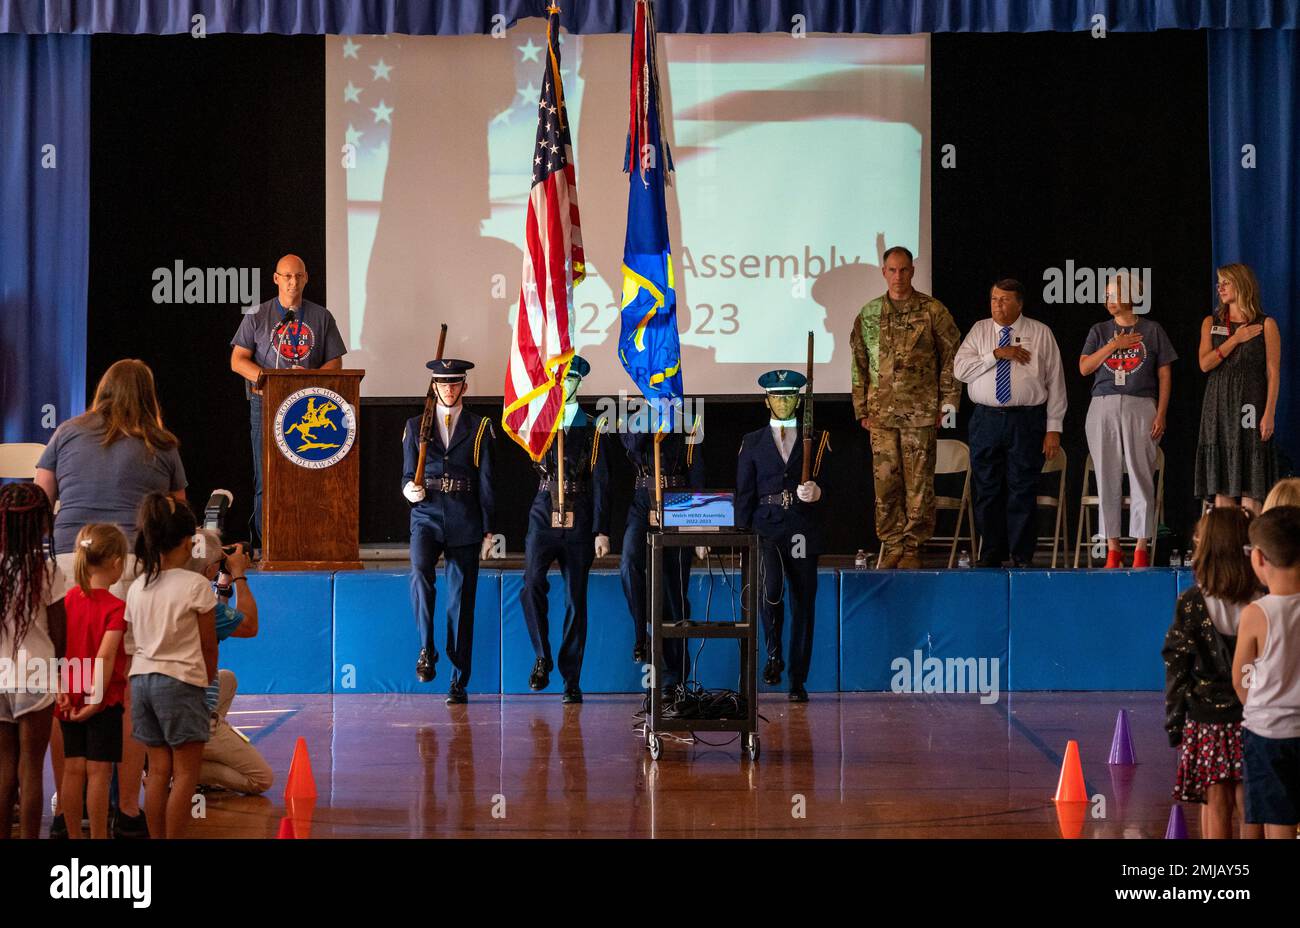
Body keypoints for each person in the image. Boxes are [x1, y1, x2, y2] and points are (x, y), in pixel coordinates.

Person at [34, 357, 184, 838]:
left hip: (67, 565)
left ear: (102, 390)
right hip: (128, 567)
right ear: (149, 395)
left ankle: (63, 811)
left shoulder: (66, 433)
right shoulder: (161, 445)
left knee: (67, 686)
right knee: (124, 689)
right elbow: (176, 521)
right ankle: (129, 814)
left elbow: (39, 501)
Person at [850, 246, 962, 568]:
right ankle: (892, 544)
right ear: (884, 272)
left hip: (922, 414)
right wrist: (861, 408)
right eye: (892, 270)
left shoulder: (932, 310)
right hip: (881, 416)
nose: (898, 276)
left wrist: (948, 404)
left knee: (919, 484)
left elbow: (952, 358)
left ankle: (913, 547)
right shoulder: (869, 314)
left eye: (904, 270)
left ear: (912, 271)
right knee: (885, 484)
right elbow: (859, 362)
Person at [229, 254, 347, 548]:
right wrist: (268, 380)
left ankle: (307, 541)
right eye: (287, 276)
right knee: (267, 478)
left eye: (298, 276)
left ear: (306, 278)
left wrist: (307, 380)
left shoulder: (321, 316)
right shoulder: (257, 313)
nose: (293, 282)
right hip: (266, 404)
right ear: (276, 278)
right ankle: (267, 545)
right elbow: (237, 360)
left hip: (307, 407)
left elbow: (335, 363)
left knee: (308, 477)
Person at [1162, 508, 1262, 839]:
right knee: (1252, 804)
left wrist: (1176, 724)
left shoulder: (1191, 602)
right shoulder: (1263, 600)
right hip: (1256, 717)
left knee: (1215, 803)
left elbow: (1177, 668)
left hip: (1207, 721)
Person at [954, 279, 1067, 567]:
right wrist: (996, 354)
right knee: (987, 489)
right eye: (993, 299)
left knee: (1022, 488)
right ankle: (990, 552)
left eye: (1004, 300)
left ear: (1019, 303)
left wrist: (1054, 427)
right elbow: (960, 370)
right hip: (986, 418)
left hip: (1026, 419)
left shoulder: (1040, 332)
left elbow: (1056, 382)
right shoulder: (980, 331)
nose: (997, 305)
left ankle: (1021, 555)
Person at [401, 358, 495, 705]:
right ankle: (427, 649)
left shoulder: (479, 426)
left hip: (464, 514)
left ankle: (458, 679)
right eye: (443, 384)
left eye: (455, 384)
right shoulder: (415, 426)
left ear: (464, 387)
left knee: (460, 600)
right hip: (426, 514)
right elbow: (406, 472)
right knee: (420, 574)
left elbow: (486, 481)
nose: (449, 389)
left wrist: (488, 529)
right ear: (434, 387)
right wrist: (407, 490)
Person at [125, 493, 218, 839]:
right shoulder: (195, 585)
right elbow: (208, 645)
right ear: (188, 542)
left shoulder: (138, 586)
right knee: (185, 774)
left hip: (141, 683)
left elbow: (133, 639)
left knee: (158, 771)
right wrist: (204, 683)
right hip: (180, 682)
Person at [735, 370, 831, 702]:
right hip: (768, 527)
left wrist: (818, 492)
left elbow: (836, 487)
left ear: (799, 400)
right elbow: (744, 492)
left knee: (803, 604)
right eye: (777, 397)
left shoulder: (817, 439)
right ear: (767, 401)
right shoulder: (752, 441)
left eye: (790, 396)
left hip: (802, 528)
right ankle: (774, 653)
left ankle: (797, 680)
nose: (784, 402)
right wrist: (741, 532)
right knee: (770, 592)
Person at [520, 357, 610, 704]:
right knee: (531, 584)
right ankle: (542, 657)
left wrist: (602, 529)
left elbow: (602, 481)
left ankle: (571, 677)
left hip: (580, 509)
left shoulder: (592, 426)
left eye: (570, 379)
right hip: (544, 509)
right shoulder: (539, 422)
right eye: (559, 379)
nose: (565, 384)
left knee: (576, 597)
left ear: (579, 384)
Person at [1079, 271, 1178, 568]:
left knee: (1140, 473)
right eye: (1106, 295)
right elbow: (1084, 368)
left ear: (1130, 296)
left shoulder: (1152, 329)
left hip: (1140, 404)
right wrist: (1113, 346)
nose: (1108, 300)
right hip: (1103, 404)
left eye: (1113, 294)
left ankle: (1140, 547)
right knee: (1106, 474)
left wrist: (1161, 412)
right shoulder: (1099, 330)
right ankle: (1112, 548)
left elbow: (1164, 372)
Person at [619, 402, 705, 696]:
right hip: (643, 498)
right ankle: (641, 634)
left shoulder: (688, 421)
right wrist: (650, 417)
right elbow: (632, 446)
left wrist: (699, 527)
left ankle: (674, 677)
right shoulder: (631, 418)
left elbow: (696, 469)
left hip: (678, 500)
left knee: (673, 591)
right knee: (629, 563)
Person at [0, 484, 65, 839]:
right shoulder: (49, 570)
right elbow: (60, 635)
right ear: (43, 525)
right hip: (36, 675)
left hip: (0, 675)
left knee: (4, 767)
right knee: (31, 768)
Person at [56, 524, 130, 840]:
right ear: (116, 563)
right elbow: (104, 658)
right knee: (99, 773)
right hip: (103, 700)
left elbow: (55, 649)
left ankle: (74, 836)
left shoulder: (66, 601)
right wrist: (96, 700)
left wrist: (61, 690)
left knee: (72, 771)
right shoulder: (115, 607)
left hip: (67, 697)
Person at [1232, 505, 1300, 839]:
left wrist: (1260, 704)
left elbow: (1241, 677)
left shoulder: (1257, 613)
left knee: (1277, 820)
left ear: (1258, 559)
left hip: (1268, 734)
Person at [188, 532, 272, 794]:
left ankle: (185, 758)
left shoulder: (169, 586)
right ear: (210, 567)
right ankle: (181, 769)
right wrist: (239, 574)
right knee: (261, 779)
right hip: (194, 713)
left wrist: (222, 584)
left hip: (162, 701)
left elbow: (216, 623)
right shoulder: (202, 602)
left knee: (226, 678)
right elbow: (249, 625)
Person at [1194, 263, 1281, 513]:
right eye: (1218, 283)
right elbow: (1204, 364)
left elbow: (1273, 372)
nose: (1219, 287)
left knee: (1250, 481)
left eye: (1225, 282)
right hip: (1218, 405)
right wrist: (1236, 339)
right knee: (1222, 483)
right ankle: (1226, 548)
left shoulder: (1266, 325)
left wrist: (1269, 413)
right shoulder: (1211, 322)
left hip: (1250, 406)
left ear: (1241, 284)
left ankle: (1251, 548)